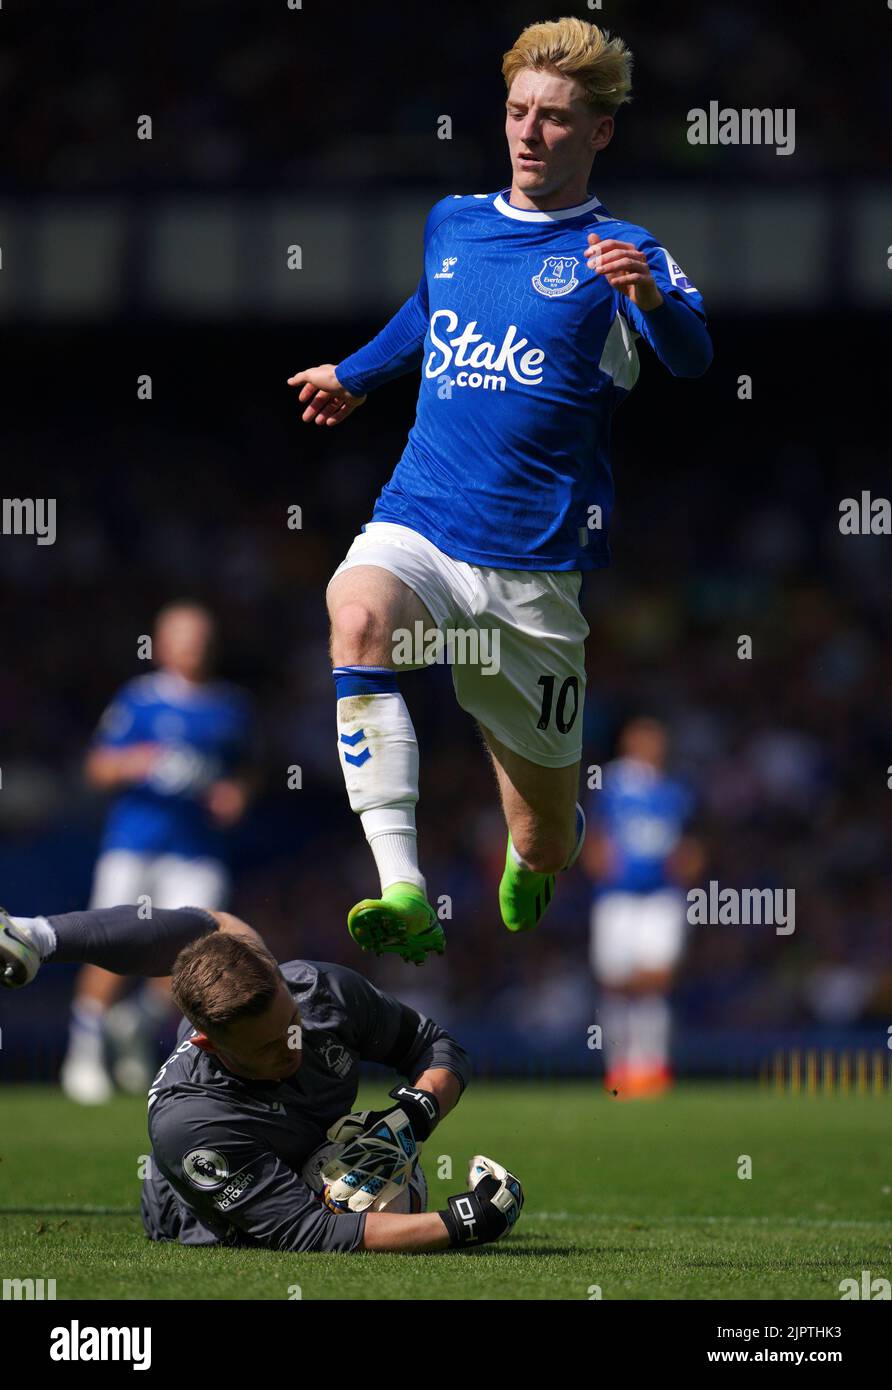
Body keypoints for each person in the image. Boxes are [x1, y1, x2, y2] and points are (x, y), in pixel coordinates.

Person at [287, 17, 712, 964]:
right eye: (518, 111)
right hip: (422, 522)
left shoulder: (621, 249)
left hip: (532, 579)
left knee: (544, 837)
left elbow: (694, 355)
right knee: (355, 617)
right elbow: (435, 302)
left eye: (556, 119)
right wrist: (356, 375)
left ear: (599, 132)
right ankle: (401, 885)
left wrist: (645, 298)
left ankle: (543, 848)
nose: (529, 133)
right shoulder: (456, 221)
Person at [1, 905, 523, 1253]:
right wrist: (458, 1225)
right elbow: (307, 1231)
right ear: (210, 1043)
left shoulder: (319, 991)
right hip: (218, 1224)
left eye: (291, 1027)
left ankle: (37, 934)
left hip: (322, 1160)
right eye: (268, 1047)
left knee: (218, 924)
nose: (292, 1047)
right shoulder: (192, 1123)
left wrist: (418, 1109)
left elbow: (436, 1045)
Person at [62, 601, 257, 1104]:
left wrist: (236, 793)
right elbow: (97, 769)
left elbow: (247, 770)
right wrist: (137, 762)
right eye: (183, 635)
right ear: (161, 642)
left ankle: (136, 1023)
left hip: (197, 852)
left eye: (201, 635)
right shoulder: (139, 701)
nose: (194, 645)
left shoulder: (230, 707)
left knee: (191, 957)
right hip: (135, 845)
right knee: (110, 947)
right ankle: (82, 1055)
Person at [583, 717, 704, 1098]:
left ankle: (652, 1067)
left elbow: (692, 842)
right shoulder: (611, 786)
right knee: (615, 984)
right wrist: (602, 866)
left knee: (657, 980)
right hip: (617, 898)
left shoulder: (674, 790)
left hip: (660, 897)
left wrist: (686, 868)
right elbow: (591, 835)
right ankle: (620, 1069)